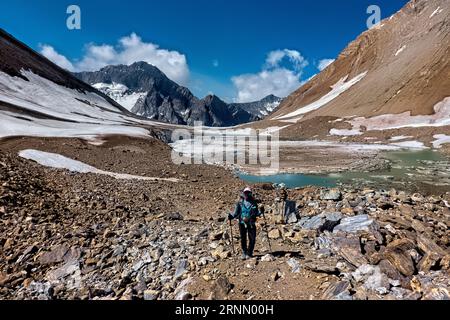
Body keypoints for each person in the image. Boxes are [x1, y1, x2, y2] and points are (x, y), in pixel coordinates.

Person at [228, 187, 261, 260]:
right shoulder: (240, 203)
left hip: (251, 223)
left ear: (250, 193)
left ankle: (249, 252)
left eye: (248, 192)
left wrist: (261, 211)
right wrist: (231, 216)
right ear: (243, 193)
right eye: (245, 192)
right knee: (243, 238)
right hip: (242, 223)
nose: (247, 194)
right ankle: (244, 252)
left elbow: (256, 213)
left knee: (252, 238)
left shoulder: (254, 203)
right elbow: (236, 213)